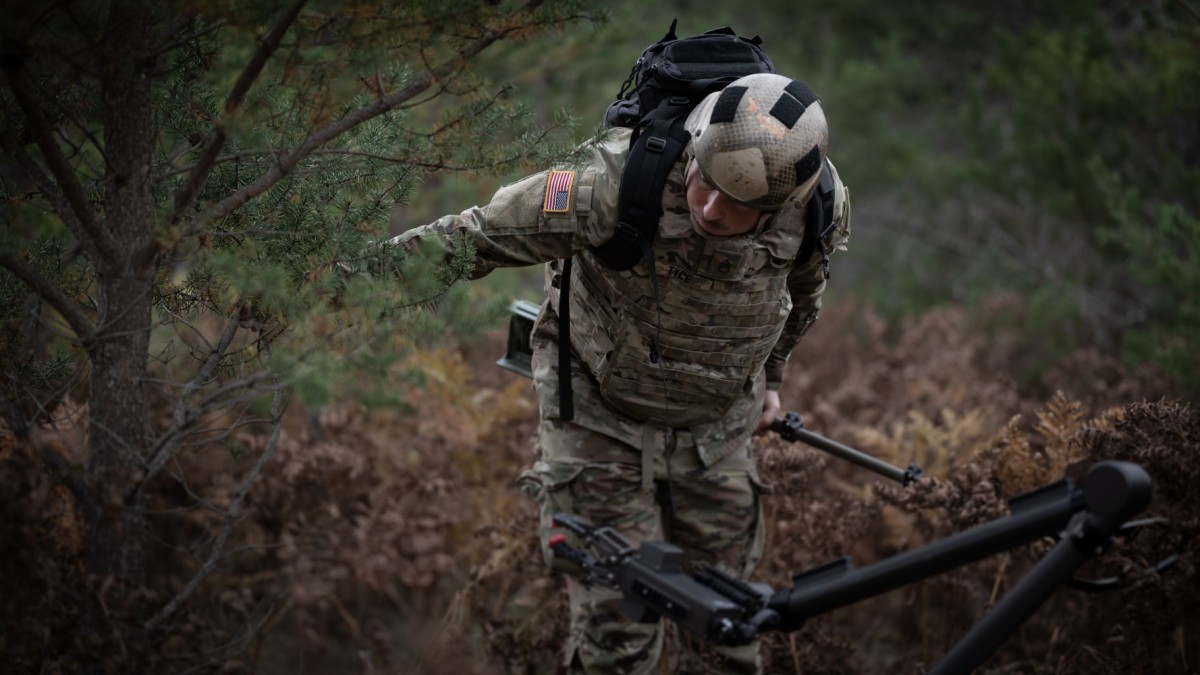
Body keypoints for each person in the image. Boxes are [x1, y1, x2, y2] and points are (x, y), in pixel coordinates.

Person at [392, 72, 850, 674]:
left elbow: (802, 297)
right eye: (704, 184)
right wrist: (333, 282)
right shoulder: (614, 183)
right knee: (620, 636)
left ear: (778, 209)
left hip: (716, 427)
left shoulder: (814, 210)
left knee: (729, 627)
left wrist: (772, 381)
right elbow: (475, 235)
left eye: (737, 206)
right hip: (598, 410)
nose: (710, 209)